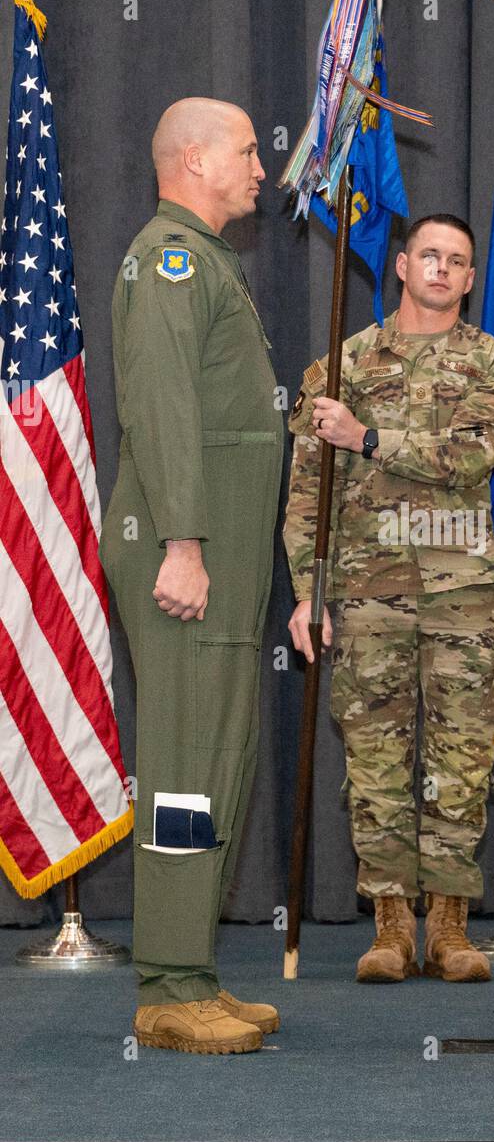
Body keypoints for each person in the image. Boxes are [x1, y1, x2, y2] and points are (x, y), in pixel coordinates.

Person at [284, 215, 494, 983]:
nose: (442, 269)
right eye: (430, 255)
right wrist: (306, 591)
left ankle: (451, 927)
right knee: (377, 762)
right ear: (400, 265)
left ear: (467, 280)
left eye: (458, 262)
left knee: (460, 760)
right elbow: (305, 492)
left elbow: (468, 458)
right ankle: (390, 926)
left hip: (461, 595)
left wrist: (367, 437)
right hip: (365, 591)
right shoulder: (342, 365)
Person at [100, 98, 284, 1055]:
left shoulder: (207, 259)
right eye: (249, 151)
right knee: (182, 770)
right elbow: (162, 406)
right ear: (198, 158)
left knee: (216, 766)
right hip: (186, 557)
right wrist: (181, 540)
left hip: (220, 563)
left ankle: (193, 968)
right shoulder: (169, 258)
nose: (263, 166)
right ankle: (168, 983)